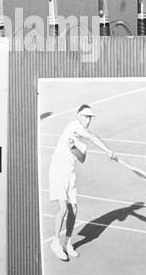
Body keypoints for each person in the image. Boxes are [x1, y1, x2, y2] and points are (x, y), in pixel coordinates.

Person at [46, 104, 119, 262]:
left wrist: (73, 149)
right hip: (58, 170)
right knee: (63, 208)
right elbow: (92, 137)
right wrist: (108, 150)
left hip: (70, 174)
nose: (88, 120)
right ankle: (55, 242)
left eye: (90, 118)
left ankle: (67, 242)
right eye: (85, 116)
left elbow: (82, 158)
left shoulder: (82, 143)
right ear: (79, 116)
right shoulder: (73, 126)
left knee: (74, 209)